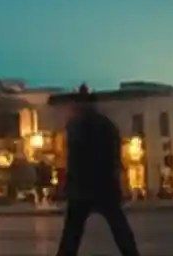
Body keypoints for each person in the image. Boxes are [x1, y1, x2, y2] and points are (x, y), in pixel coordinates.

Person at [55, 85, 140, 256]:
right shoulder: (106, 125)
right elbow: (115, 156)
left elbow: (74, 159)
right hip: (105, 185)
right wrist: (117, 179)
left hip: (82, 187)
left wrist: (67, 184)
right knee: (120, 229)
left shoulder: (75, 126)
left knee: (72, 234)